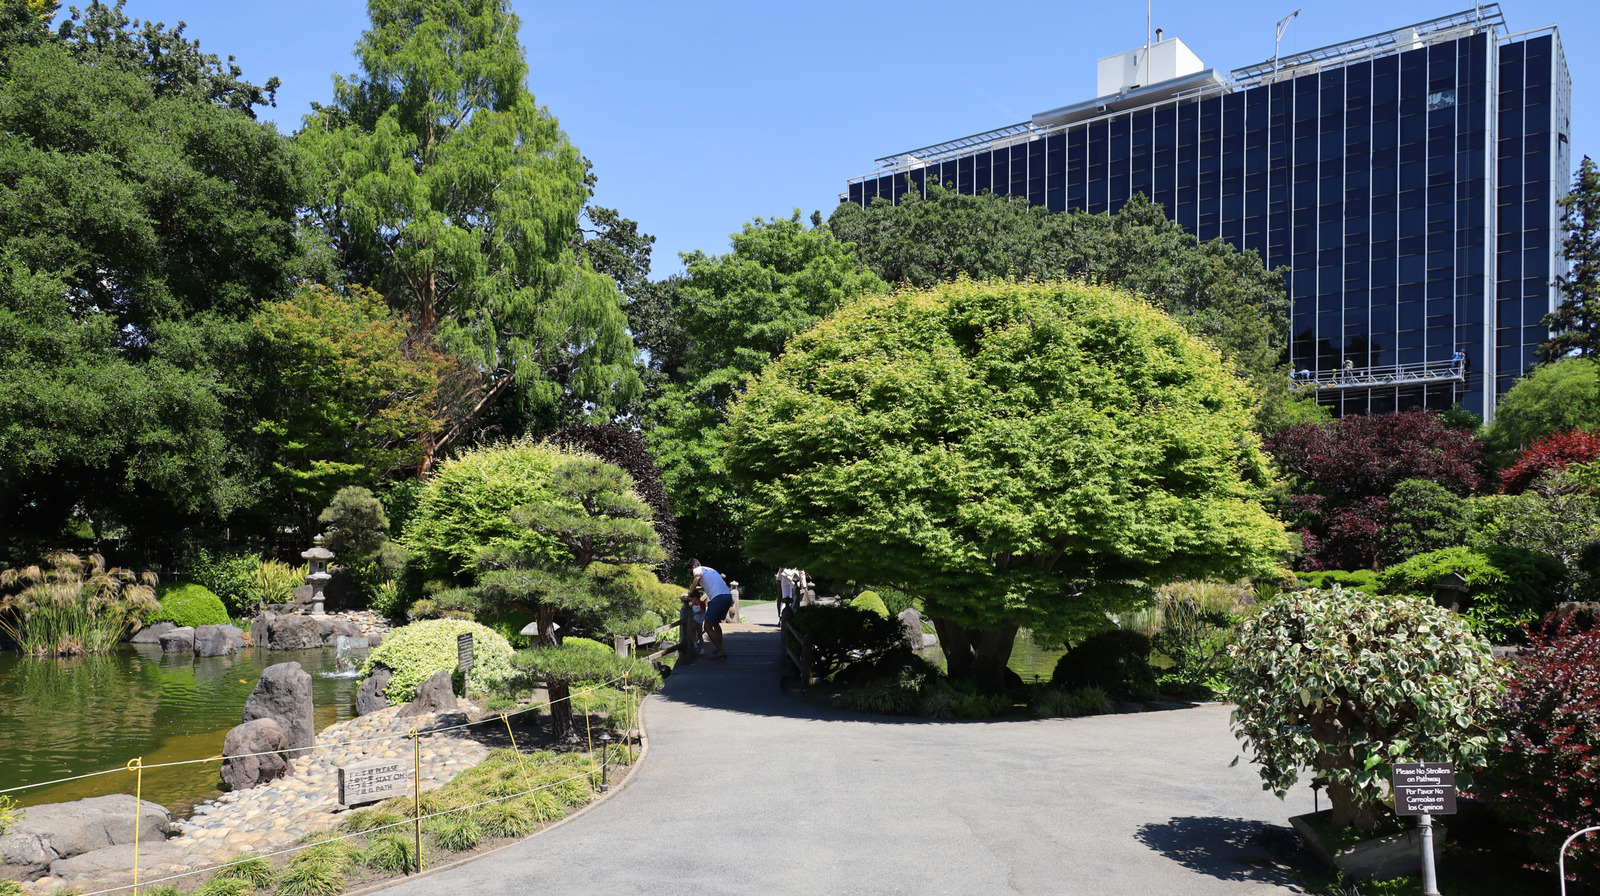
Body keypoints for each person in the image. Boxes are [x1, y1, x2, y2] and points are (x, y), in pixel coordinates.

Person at [688, 559, 733, 660]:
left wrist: (690, 593)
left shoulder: (697, 570)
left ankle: (720, 651)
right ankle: (719, 649)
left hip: (718, 599)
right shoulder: (710, 570)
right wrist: (696, 588)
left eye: (690, 571)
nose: (691, 573)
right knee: (715, 624)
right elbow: (708, 587)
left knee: (707, 627)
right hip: (727, 596)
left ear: (693, 567)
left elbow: (697, 577)